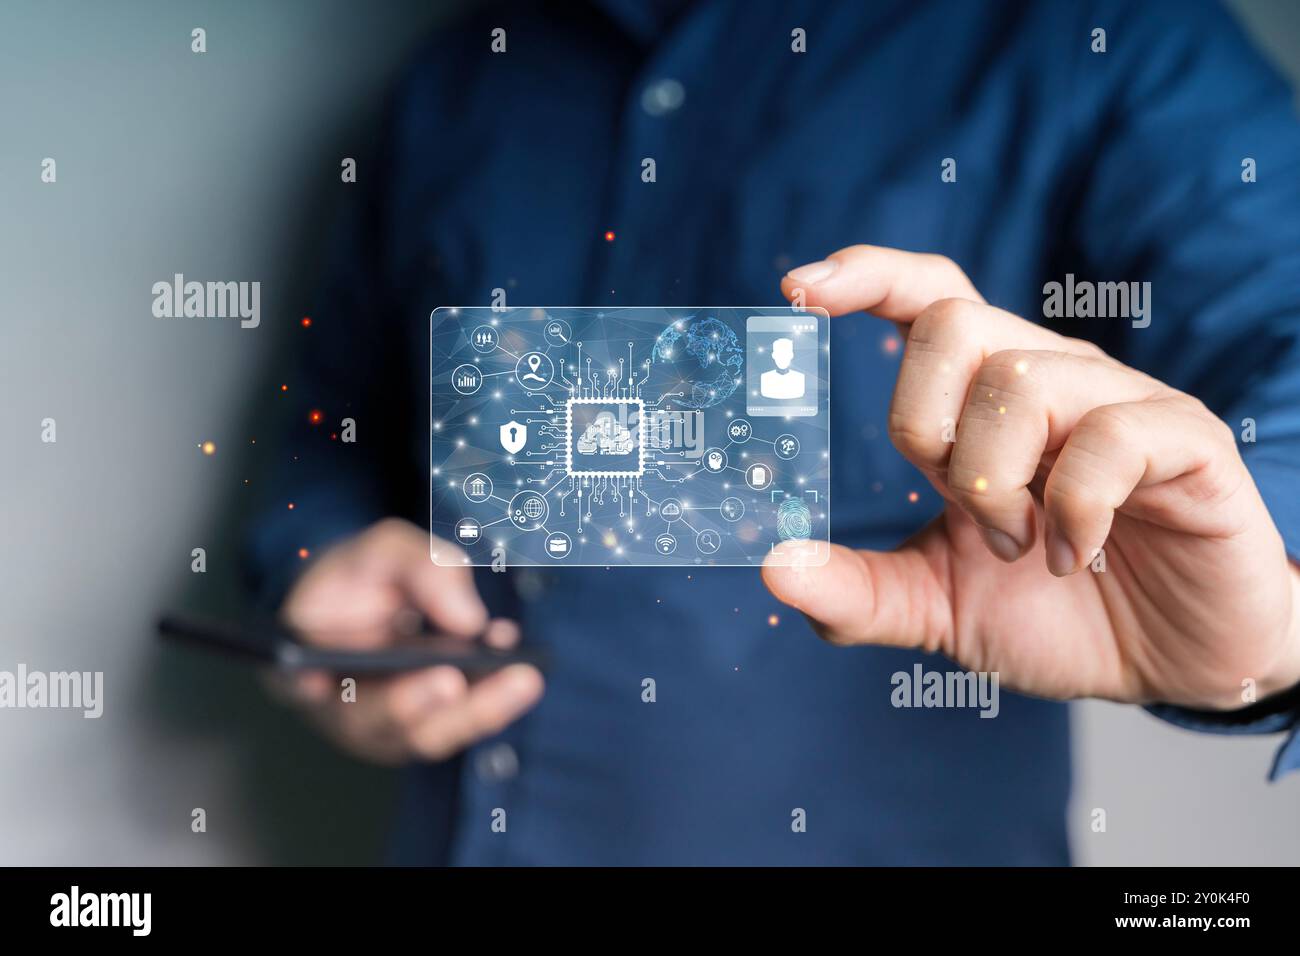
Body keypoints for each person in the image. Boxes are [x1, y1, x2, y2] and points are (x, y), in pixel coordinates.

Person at [247, 0, 1300, 864]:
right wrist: (321, 557)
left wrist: (1271, 612)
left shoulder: (1100, 35)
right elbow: (332, 416)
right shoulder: (462, 75)